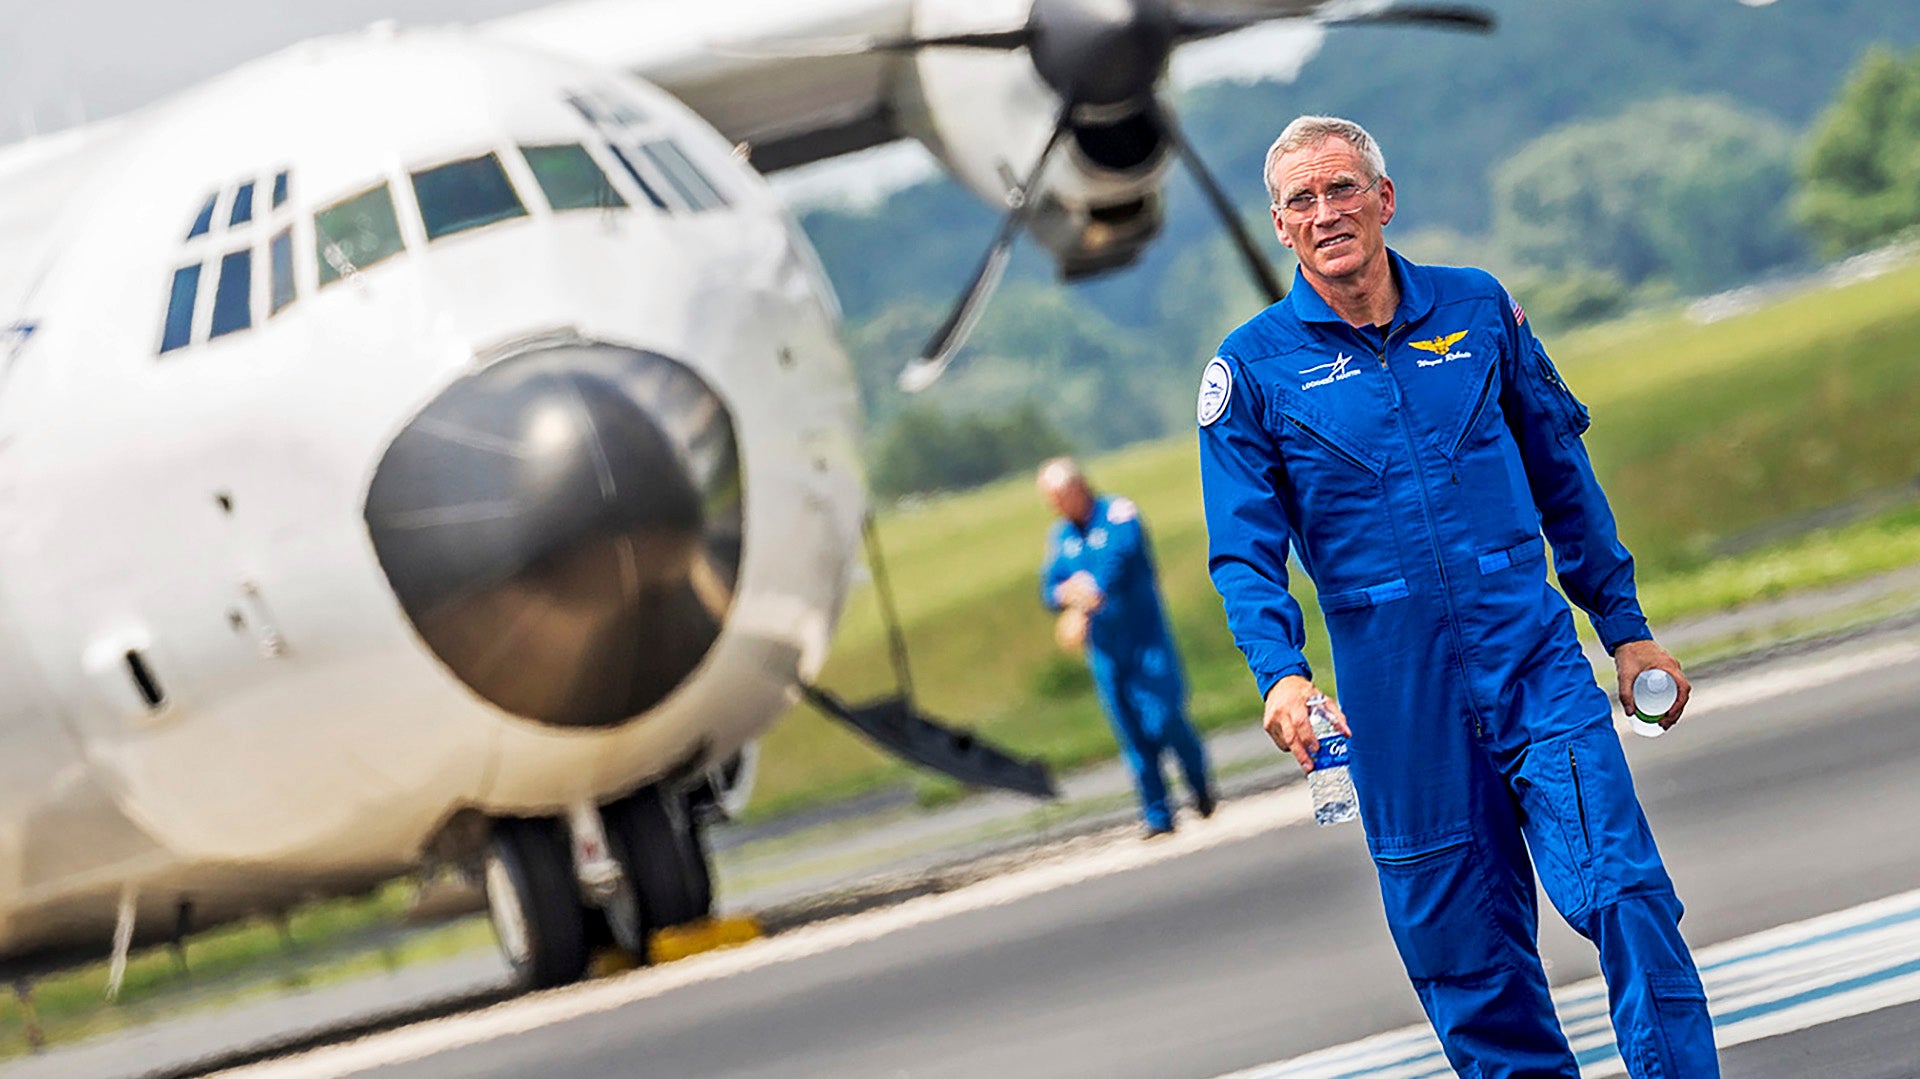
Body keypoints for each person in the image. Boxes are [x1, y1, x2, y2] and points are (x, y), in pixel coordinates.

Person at [1196, 116, 1718, 1077]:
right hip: (1401, 710)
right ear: (1279, 225)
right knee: (1471, 970)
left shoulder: (1478, 312)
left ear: (1384, 199)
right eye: (1302, 200)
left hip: (1533, 664)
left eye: (1344, 188)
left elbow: (1563, 472)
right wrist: (1280, 675)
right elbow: (1243, 553)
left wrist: (1627, 630)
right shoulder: (1253, 370)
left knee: (1627, 894)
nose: (1327, 213)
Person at [1037, 457, 1215, 838]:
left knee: (1165, 718)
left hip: (1145, 640)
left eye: (1057, 496)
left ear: (1076, 487)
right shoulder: (1062, 537)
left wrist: (1084, 596)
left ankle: (1199, 784)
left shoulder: (1117, 514)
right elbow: (1050, 586)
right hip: (1105, 650)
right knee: (1132, 733)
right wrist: (1065, 594)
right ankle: (1157, 814)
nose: (1054, 506)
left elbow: (1115, 565)